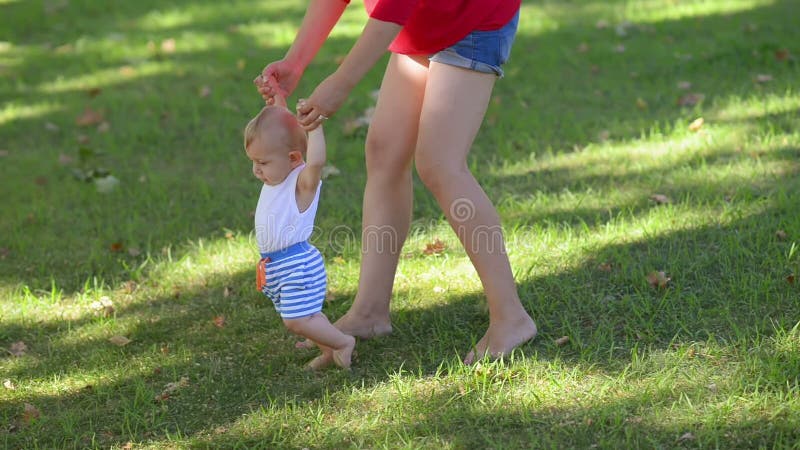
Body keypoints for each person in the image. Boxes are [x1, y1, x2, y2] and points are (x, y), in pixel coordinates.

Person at [255, 0, 537, 364]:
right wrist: (295, 61)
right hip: (423, 20)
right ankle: (370, 312)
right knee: (384, 151)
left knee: (439, 162)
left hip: (470, 18)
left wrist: (341, 83)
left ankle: (511, 318)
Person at [245, 83, 355, 370]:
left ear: (293, 158)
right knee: (307, 318)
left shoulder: (301, 183)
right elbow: (281, 126)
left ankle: (343, 342)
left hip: (298, 263)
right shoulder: (276, 176)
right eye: (253, 162)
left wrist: (313, 127)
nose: (256, 170)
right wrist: (278, 98)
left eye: (262, 162)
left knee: (296, 319)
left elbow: (316, 161)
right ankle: (330, 352)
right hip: (275, 266)